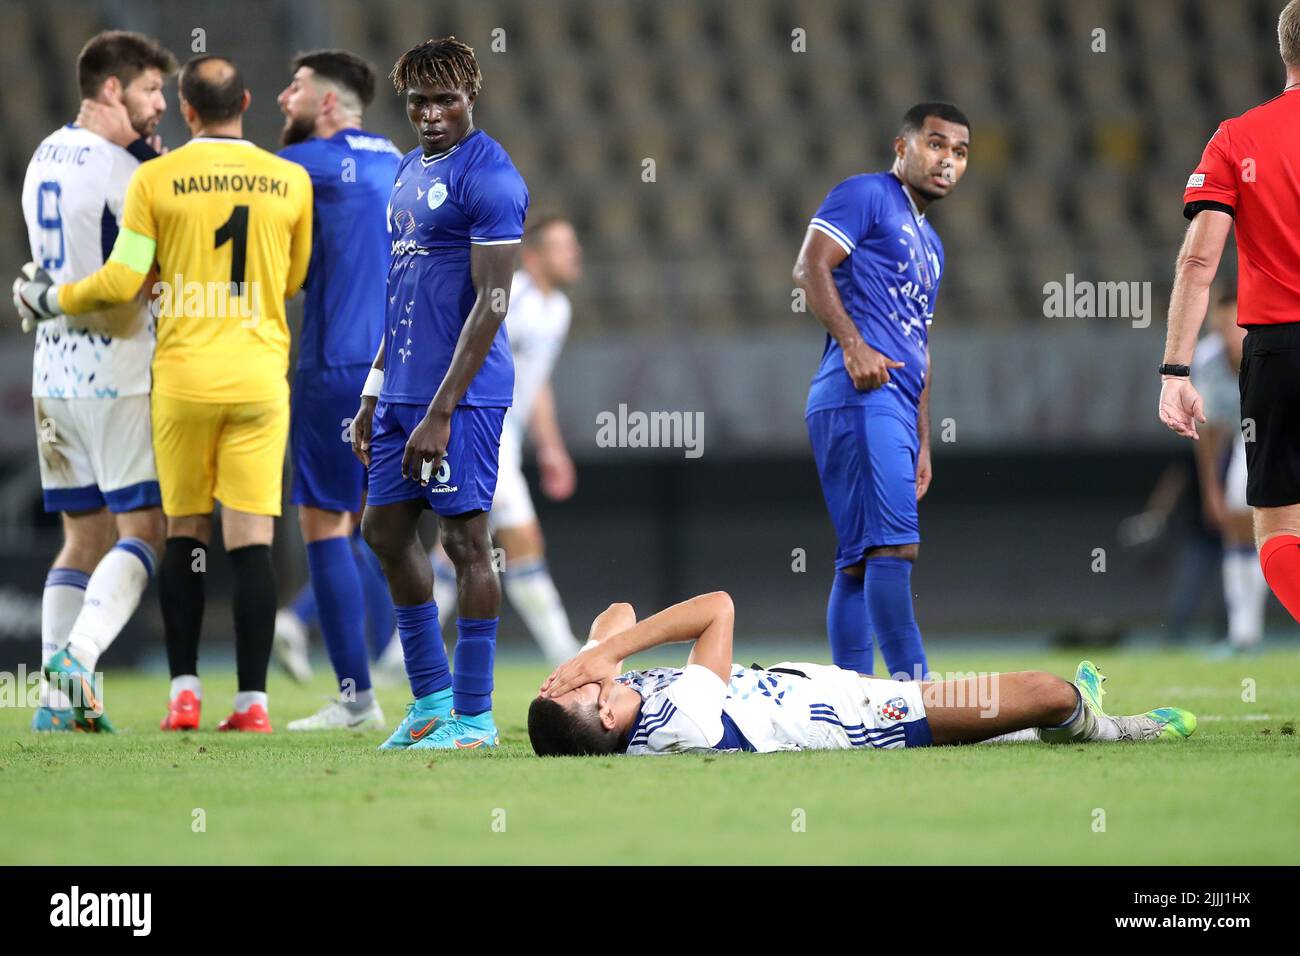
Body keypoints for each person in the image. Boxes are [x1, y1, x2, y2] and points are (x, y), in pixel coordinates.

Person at [15, 55, 313, 732]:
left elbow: (123, 280)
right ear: (245, 99)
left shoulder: (130, 171)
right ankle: (253, 704)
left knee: (170, 535)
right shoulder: (290, 179)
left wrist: (48, 296)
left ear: (185, 109)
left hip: (158, 378)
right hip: (255, 378)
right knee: (250, 542)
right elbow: (294, 279)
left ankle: (176, 696)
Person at [350, 37, 528, 750]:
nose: (430, 113)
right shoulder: (404, 171)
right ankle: (429, 701)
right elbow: (404, 293)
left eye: (445, 99)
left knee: (464, 542)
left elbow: (493, 300)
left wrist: (442, 409)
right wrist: (372, 391)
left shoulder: (492, 177)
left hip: (464, 397)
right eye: (419, 100)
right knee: (383, 531)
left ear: (470, 96)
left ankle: (476, 718)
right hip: (399, 392)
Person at [16, 31, 175, 733]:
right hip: (115, 373)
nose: (159, 105)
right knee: (146, 528)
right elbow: (126, 291)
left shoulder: (42, 155)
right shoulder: (125, 172)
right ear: (111, 89)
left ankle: (54, 704)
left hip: (51, 370)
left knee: (83, 537)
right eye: (149, 90)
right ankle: (76, 659)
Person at [528, 593, 1196, 757]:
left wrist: (590, 662)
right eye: (596, 688)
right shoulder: (680, 726)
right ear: (610, 719)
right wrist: (606, 658)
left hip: (844, 688)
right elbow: (717, 610)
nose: (605, 674)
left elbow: (617, 614)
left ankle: (1063, 721)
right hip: (867, 719)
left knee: (1002, 721)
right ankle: (1104, 726)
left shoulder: (623, 706)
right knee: (1045, 693)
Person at [792, 102, 969, 681]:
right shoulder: (865, 195)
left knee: (859, 563)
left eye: (960, 153)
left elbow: (919, 343)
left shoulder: (933, 246)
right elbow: (809, 268)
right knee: (893, 550)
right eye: (937, 144)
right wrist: (853, 344)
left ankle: (849, 700)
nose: (948, 160)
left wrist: (923, 439)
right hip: (859, 393)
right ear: (903, 146)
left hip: (891, 404)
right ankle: (913, 694)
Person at [1158, 0, 1300, 631]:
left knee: (1274, 531)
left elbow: (1197, 264)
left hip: (1279, 354)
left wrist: (1174, 371)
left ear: (1284, 50)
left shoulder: (1237, 137)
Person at [271, 49, 402, 729]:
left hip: (337, 368)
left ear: (326, 104)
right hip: (404, 367)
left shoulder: (307, 164)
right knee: (391, 525)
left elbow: (236, 178)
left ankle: (356, 698)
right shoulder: (401, 160)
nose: (280, 100)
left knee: (325, 522)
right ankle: (445, 695)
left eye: (292, 89)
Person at [423, 214, 582, 667]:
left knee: (459, 543)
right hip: (482, 430)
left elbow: (537, 384)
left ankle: (401, 654)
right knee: (519, 540)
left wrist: (550, 446)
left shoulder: (558, 310)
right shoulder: (508, 300)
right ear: (532, 257)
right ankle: (564, 654)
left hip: (505, 437)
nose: (573, 254)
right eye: (561, 246)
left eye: (572, 245)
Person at [1191, 292, 1269, 654]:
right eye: (1223, 326)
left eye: (1236, 326)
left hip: (1282, 435)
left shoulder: (1275, 347)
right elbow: (1209, 431)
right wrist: (1211, 490)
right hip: (1249, 439)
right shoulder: (1207, 362)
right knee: (1239, 527)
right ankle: (1244, 633)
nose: (1229, 335)